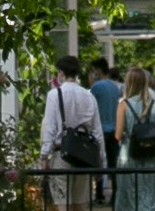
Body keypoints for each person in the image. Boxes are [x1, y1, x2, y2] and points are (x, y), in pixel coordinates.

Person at [41, 52, 107, 209]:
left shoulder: (54, 95)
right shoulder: (89, 96)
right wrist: (101, 161)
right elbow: (97, 131)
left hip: (61, 154)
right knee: (81, 204)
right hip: (83, 156)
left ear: (61, 73)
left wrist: (44, 156)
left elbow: (50, 129)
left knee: (63, 204)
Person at [115, 63, 155, 211]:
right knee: (152, 193)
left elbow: (117, 135)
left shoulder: (123, 105)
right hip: (151, 157)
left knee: (130, 196)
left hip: (129, 156)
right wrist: (152, 142)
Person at [88, 56, 123, 201]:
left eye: (93, 71)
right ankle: (116, 194)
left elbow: (90, 105)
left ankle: (99, 194)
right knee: (113, 162)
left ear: (98, 70)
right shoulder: (115, 87)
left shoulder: (96, 87)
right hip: (113, 129)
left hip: (99, 130)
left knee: (99, 162)